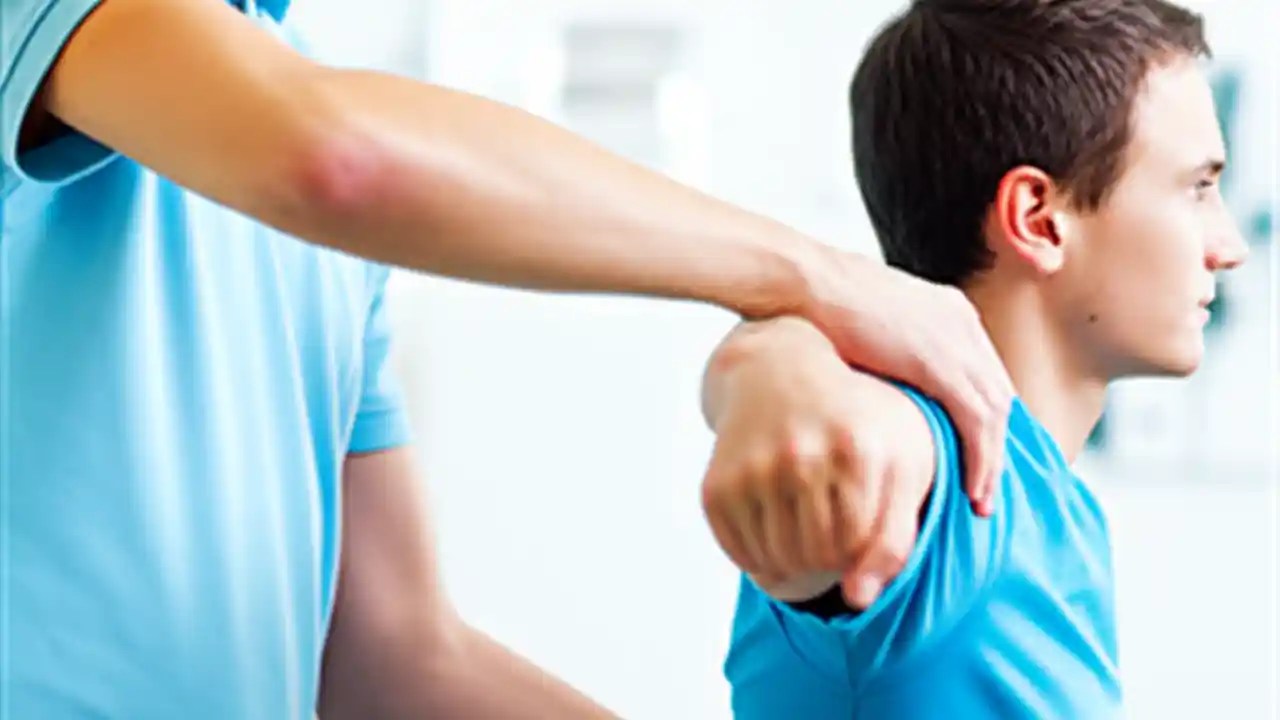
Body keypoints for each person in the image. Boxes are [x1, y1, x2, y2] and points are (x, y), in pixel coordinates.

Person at [0, 0, 1015, 717]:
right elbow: (334, 156)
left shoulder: (284, 93)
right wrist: (818, 279)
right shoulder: (267, 113)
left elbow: (389, 657)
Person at [706, 0, 1248, 717]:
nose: (1228, 246)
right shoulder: (937, 468)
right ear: (1038, 220)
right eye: (1199, 189)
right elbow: (853, 431)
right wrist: (768, 364)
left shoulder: (1049, 500)